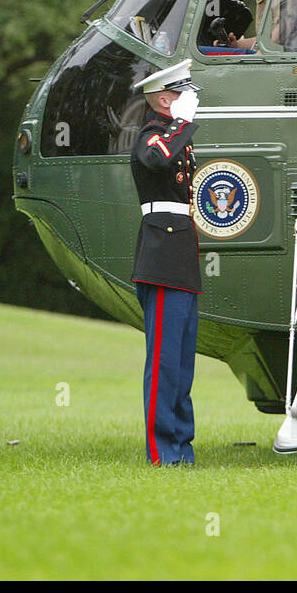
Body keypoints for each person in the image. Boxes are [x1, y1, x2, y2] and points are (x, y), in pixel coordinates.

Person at [128, 59, 203, 466]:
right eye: (180, 93)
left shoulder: (174, 136)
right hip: (161, 252)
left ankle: (182, 447)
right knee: (163, 361)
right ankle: (162, 451)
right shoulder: (151, 135)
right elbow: (157, 159)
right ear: (161, 98)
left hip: (181, 253)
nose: (188, 100)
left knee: (182, 362)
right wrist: (180, 123)